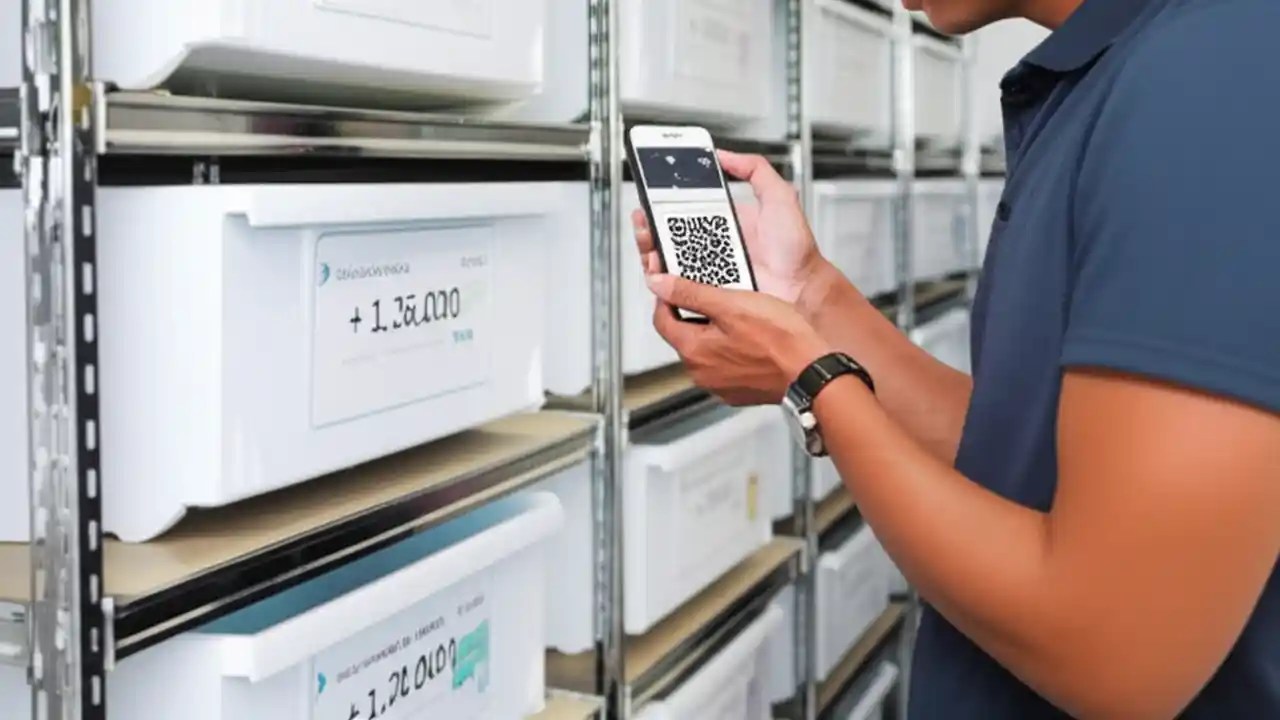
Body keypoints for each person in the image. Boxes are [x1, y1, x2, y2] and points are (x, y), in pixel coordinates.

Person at [631, 0, 1280, 717]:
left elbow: (1115, 649)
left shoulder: (1217, 74)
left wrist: (812, 381)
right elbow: (1032, 461)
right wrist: (810, 299)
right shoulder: (1128, 68)